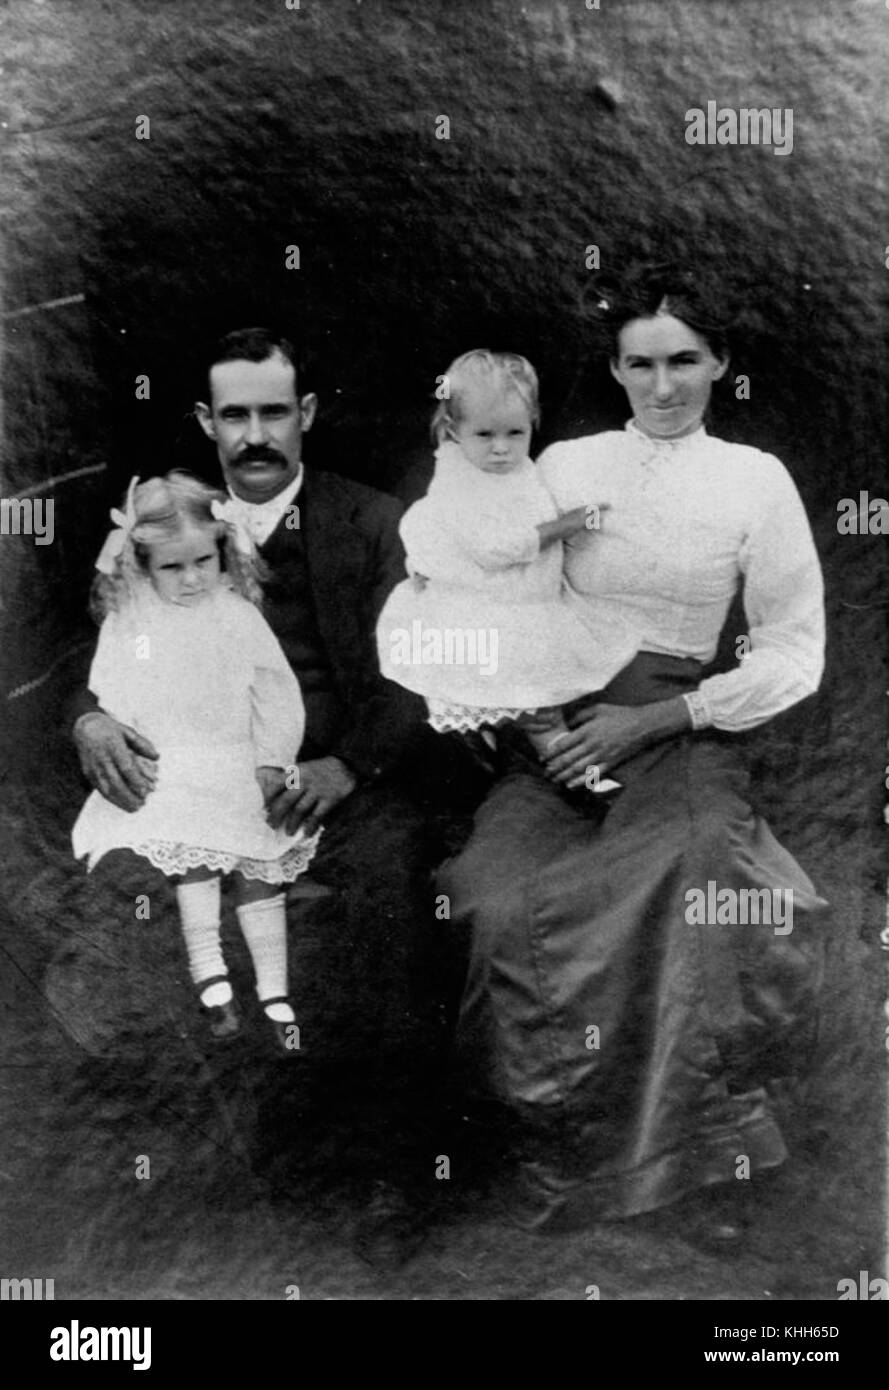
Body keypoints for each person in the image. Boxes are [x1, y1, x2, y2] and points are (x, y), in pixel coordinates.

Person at [71, 327, 490, 1267]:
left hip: (346, 780)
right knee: (130, 901)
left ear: (303, 416)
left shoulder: (377, 523)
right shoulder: (169, 522)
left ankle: (385, 1172)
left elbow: (422, 675)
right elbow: (101, 647)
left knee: (384, 896)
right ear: (206, 423)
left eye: (273, 413)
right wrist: (92, 724)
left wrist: (347, 769)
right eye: (234, 416)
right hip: (196, 779)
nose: (254, 435)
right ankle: (198, 1172)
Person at [438, 265, 828, 1250]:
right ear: (614, 367)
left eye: (684, 361)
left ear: (719, 363)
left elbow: (792, 650)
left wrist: (652, 723)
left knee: (697, 877)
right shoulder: (563, 469)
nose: (663, 387)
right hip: (559, 725)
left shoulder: (754, 481)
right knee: (496, 898)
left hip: (679, 725)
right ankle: (564, 1147)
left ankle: (702, 1157)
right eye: (641, 363)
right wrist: (541, 728)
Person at [71, 472, 320, 1050]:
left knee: (260, 860)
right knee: (196, 860)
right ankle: (212, 980)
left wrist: (272, 759)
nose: (191, 579)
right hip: (171, 763)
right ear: (140, 563)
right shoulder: (132, 621)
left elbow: (275, 692)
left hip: (236, 761)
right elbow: (113, 694)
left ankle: (274, 989)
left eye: (203, 561)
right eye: (171, 567)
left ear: (223, 550)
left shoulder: (238, 616)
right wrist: (133, 742)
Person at [376, 349, 639, 786]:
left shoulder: (516, 467)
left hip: (528, 599)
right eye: (485, 434)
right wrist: (569, 523)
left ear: (533, 420)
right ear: (454, 430)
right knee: (537, 706)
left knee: (535, 698)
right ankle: (575, 774)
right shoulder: (459, 478)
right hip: (491, 609)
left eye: (515, 433)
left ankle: (524, 749)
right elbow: (492, 546)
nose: (501, 448)